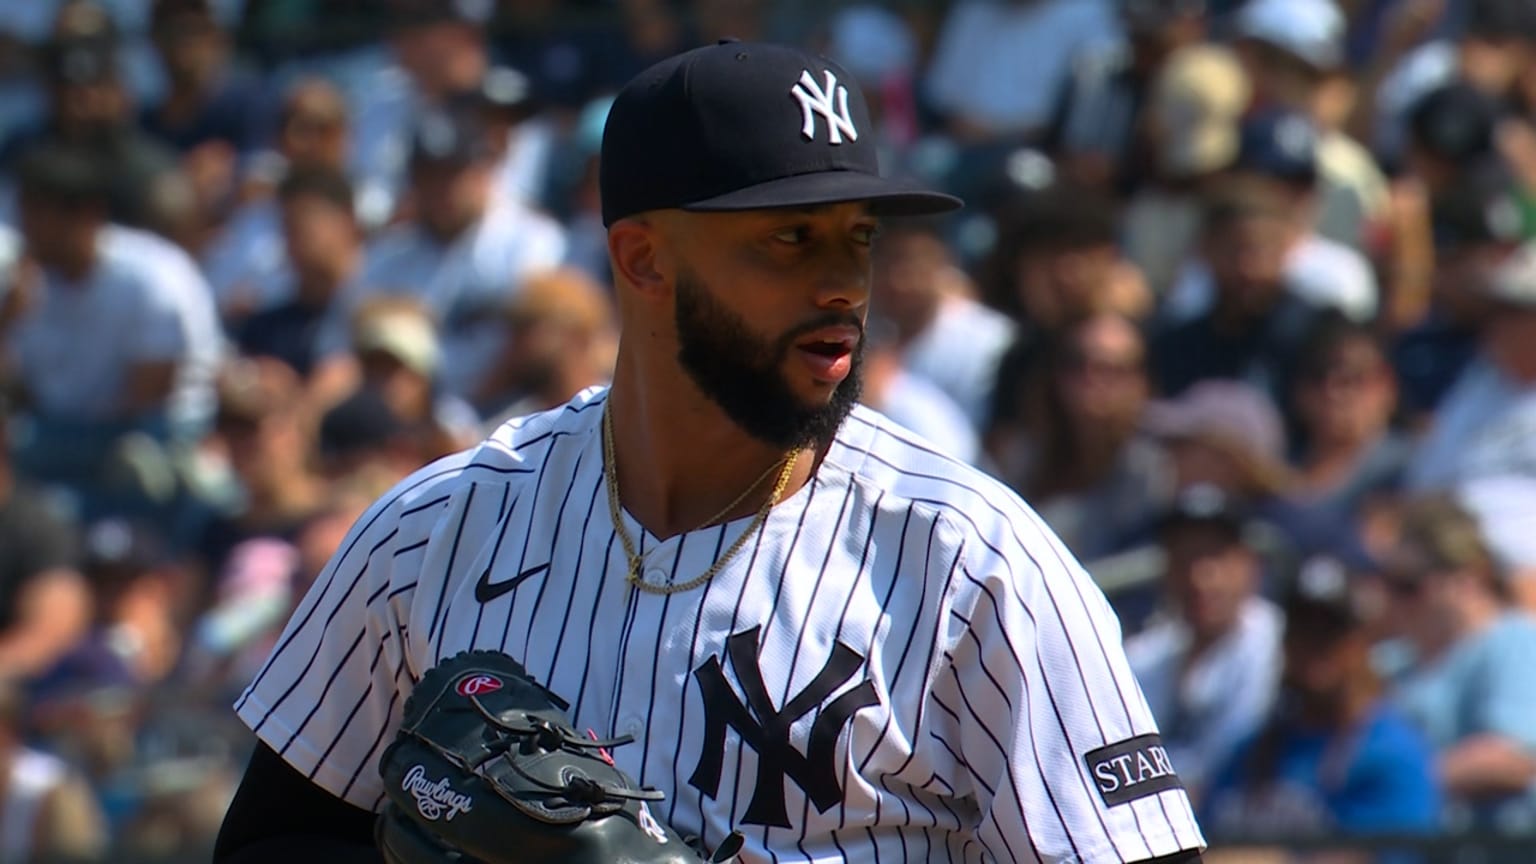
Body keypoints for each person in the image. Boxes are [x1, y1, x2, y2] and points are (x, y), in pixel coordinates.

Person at [215, 41, 1207, 864]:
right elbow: (272, 843)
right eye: (789, 239)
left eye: (856, 238)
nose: (840, 286)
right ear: (644, 258)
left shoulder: (973, 569)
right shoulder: (436, 533)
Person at [1201, 554, 1441, 844]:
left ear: (1360, 643)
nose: (1313, 647)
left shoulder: (1392, 753)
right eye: (1302, 632)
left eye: (1329, 634)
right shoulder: (1250, 753)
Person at [1378, 494, 1536, 833]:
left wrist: (1396, 785)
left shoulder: (1515, 642)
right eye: (1387, 583)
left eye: (1407, 586)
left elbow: (1513, 757)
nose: (1390, 599)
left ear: (1468, 578)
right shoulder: (1389, 661)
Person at [1124, 485, 1283, 803]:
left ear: (1250, 565)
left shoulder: (1272, 640)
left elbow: (1228, 760)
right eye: (1186, 559)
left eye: (1216, 557)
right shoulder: (1150, 653)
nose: (1200, 577)